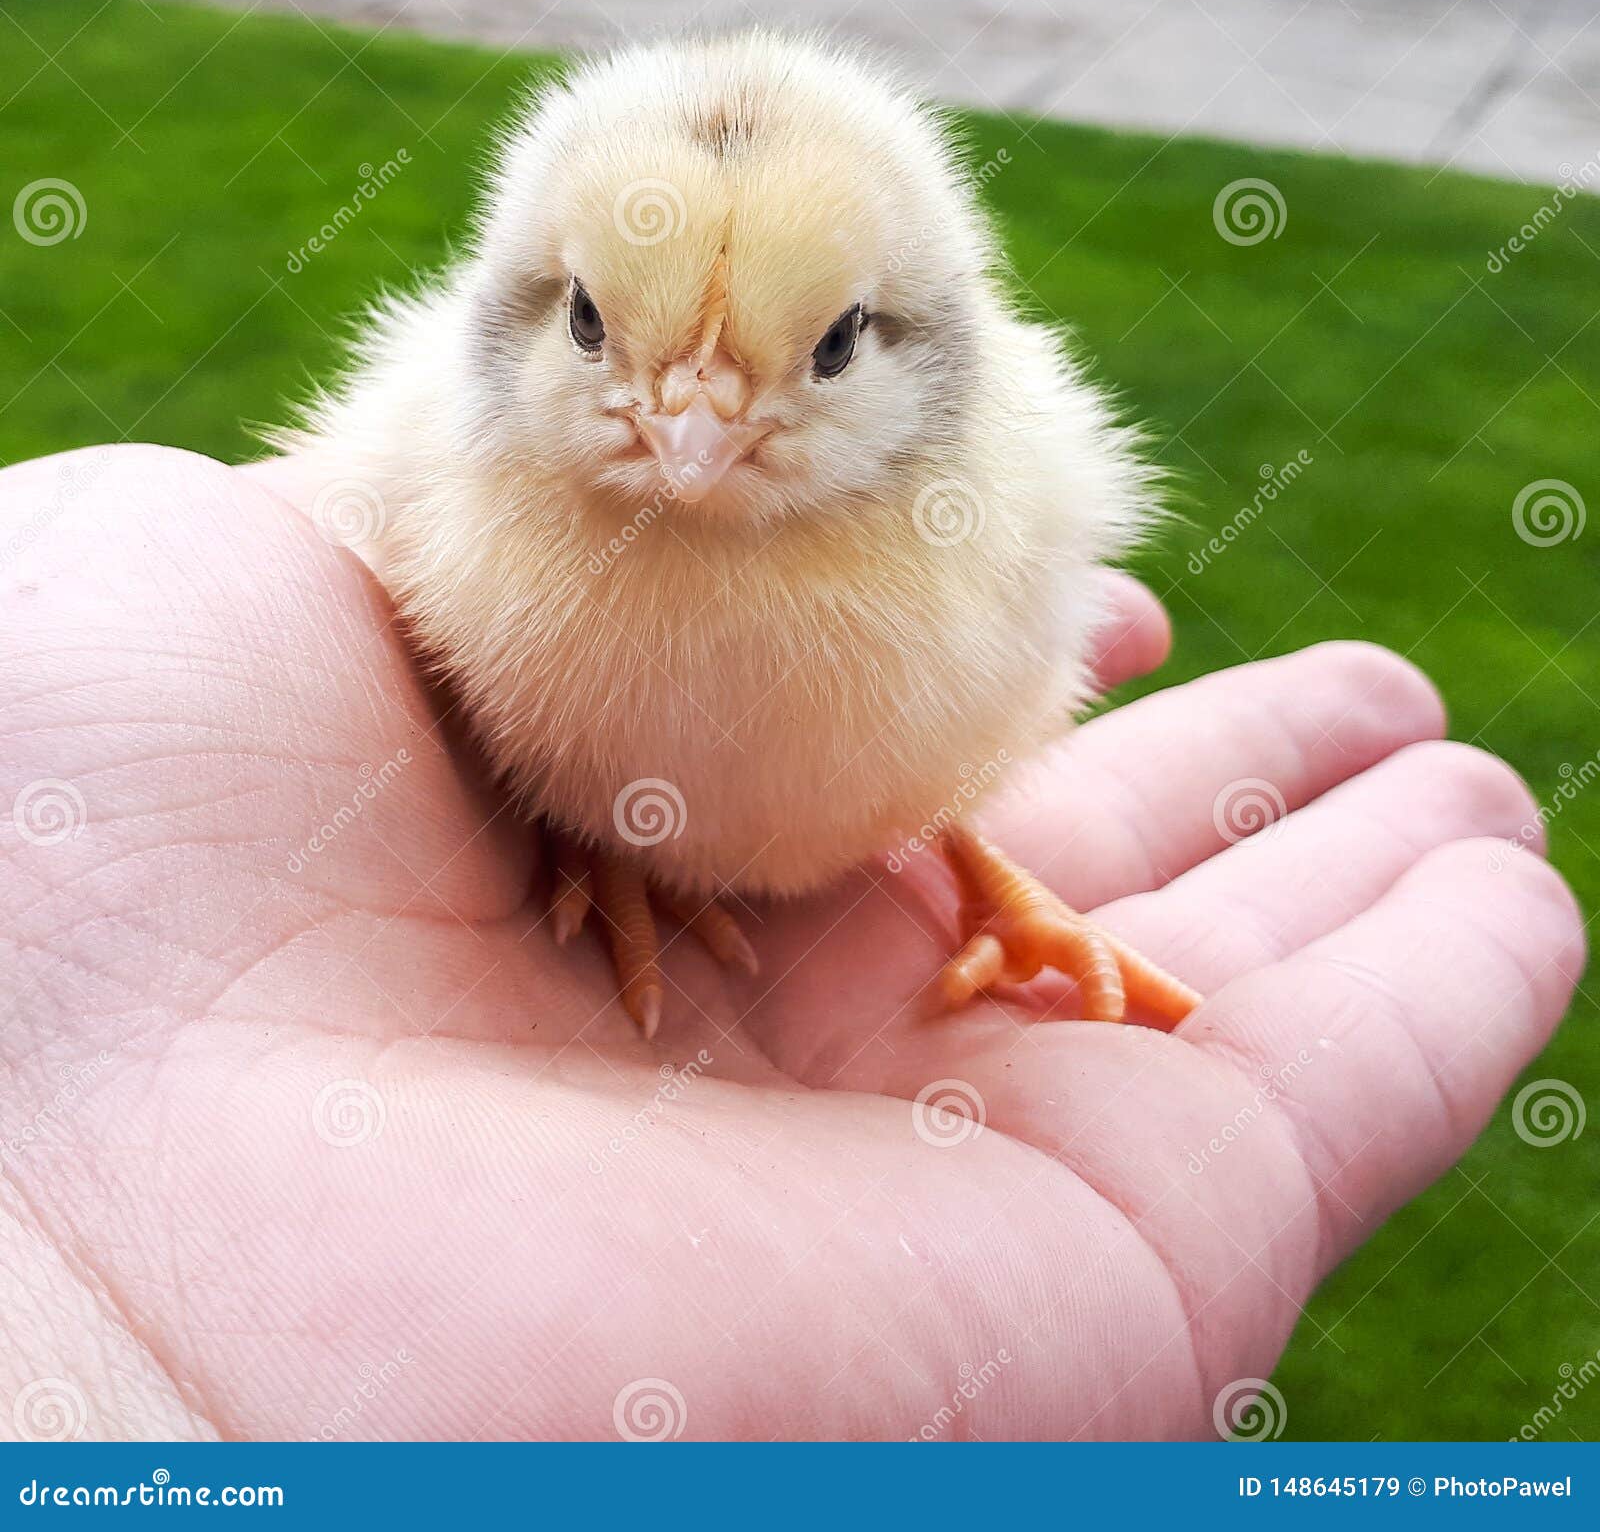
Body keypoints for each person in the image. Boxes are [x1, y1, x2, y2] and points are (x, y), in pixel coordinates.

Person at [0, 445, 1582, 1442]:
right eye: (610, 332)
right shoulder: (480, 471)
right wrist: (95, 1303)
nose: (690, 436)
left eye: (815, 355)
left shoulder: (975, 484)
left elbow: (995, 646)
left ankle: (979, 871)